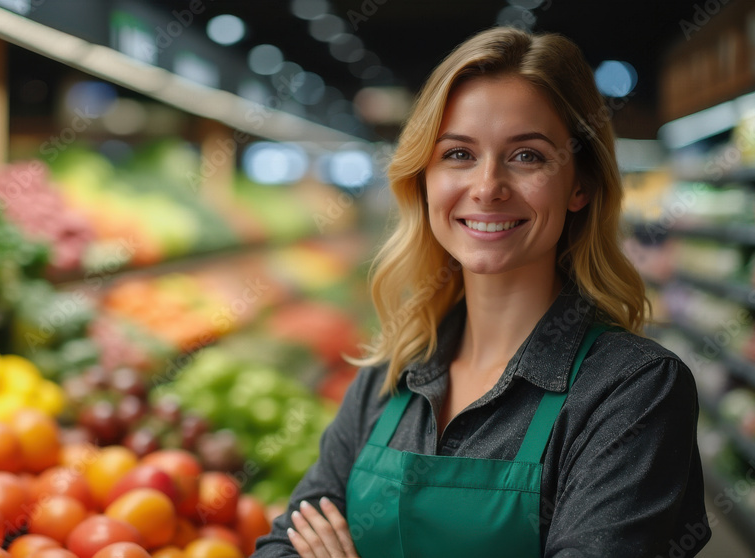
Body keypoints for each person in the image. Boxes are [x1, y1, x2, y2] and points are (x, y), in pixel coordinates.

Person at [252, 27, 709, 558]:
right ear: (424, 180)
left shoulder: (633, 392)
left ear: (580, 184)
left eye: (528, 157)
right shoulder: (392, 371)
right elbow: (280, 546)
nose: (488, 186)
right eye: (459, 155)